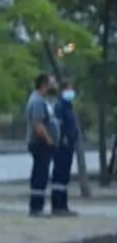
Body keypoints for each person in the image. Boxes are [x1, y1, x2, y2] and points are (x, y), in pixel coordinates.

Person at [24, 73, 60, 217]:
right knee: (40, 174)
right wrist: (48, 139)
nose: (53, 86)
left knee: (42, 174)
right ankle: (36, 207)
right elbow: (37, 123)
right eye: (51, 83)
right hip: (40, 143)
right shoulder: (37, 101)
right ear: (44, 85)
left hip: (43, 143)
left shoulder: (43, 100)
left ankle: (38, 206)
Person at [51, 80, 80, 217]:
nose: (72, 92)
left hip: (68, 146)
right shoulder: (60, 106)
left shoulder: (68, 106)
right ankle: (57, 205)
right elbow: (58, 126)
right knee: (60, 176)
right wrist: (63, 139)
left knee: (64, 177)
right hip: (62, 146)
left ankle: (63, 205)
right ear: (63, 90)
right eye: (69, 89)